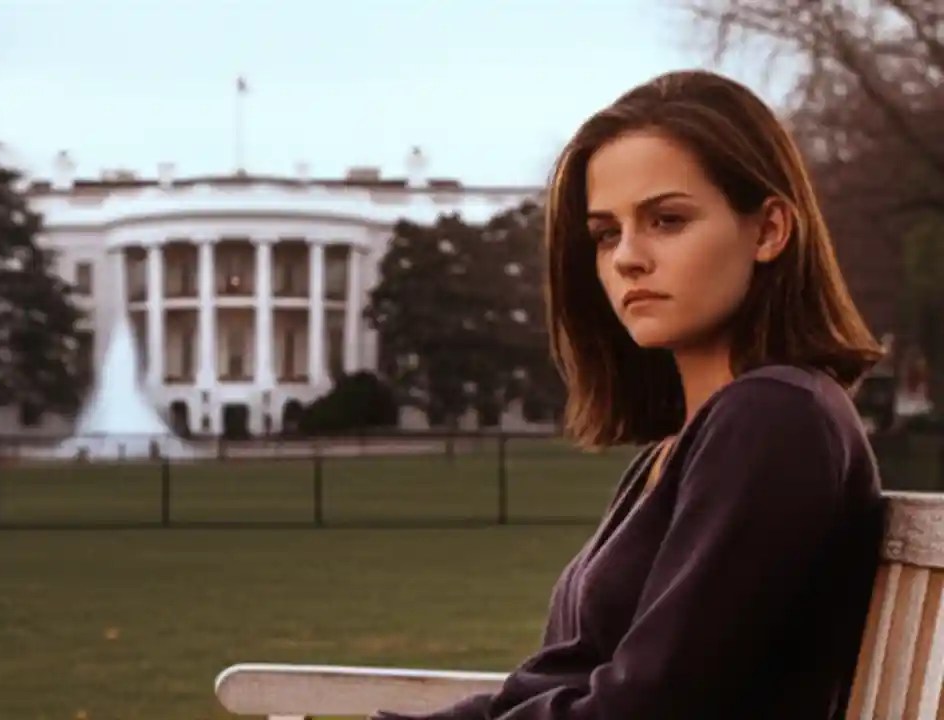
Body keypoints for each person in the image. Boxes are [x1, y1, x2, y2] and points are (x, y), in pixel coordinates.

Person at [372, 69, 886, 720]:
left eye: (666, 220)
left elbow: (650, 705)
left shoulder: (776, 419)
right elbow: (556, 683)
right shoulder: (683, 445)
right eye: (606, 233)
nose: (626, 259)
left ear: (769, 232)